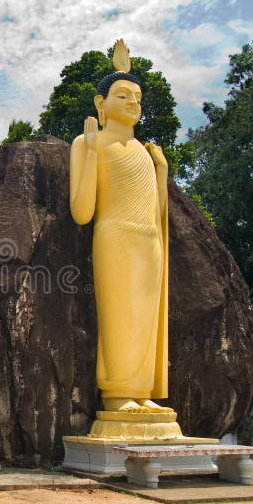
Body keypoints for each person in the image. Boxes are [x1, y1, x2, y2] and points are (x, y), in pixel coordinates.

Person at [69, 40, 171, 414]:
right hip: (115, 239)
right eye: (123, 95)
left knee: (147, 317)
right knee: (120, 315)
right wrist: (93, 150)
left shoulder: (146, 152)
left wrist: (161, 171)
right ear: (100, 103)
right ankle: (117, 392)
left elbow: (158, 212)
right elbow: (82, 211)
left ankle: (142, 391)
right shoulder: (87, 142)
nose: (133, 103)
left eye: (138, 97)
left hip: (150, 242)